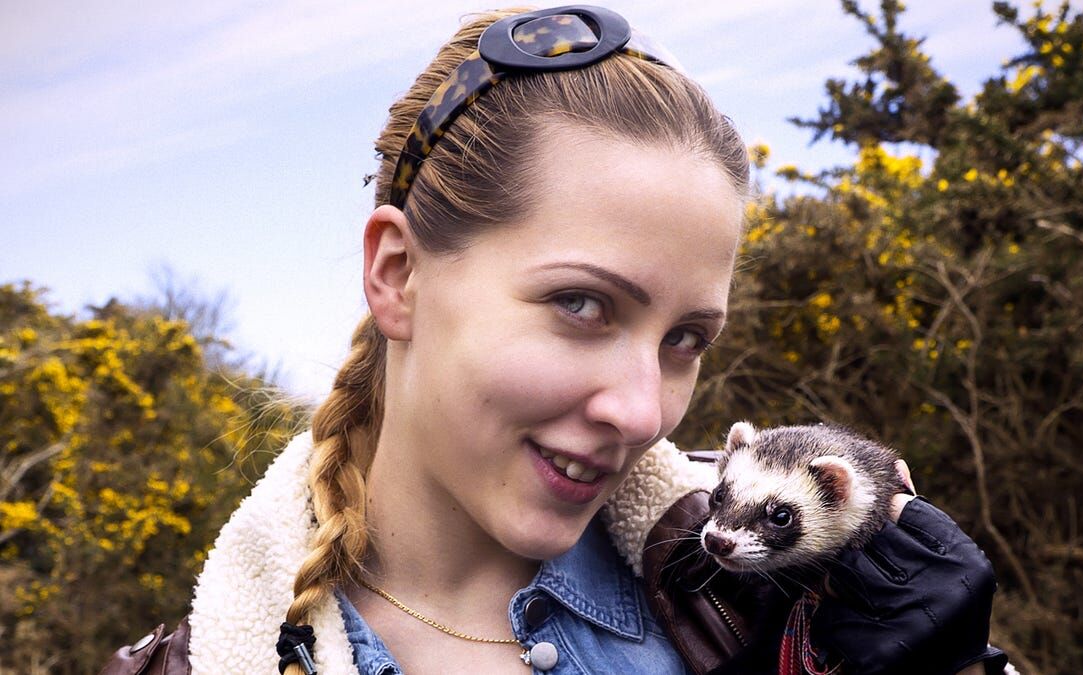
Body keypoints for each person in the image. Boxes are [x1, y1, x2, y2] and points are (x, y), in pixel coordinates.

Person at [102, 6, 1007, 674]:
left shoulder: (758, 599)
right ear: (396, 273)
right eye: (582, 304)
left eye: (687, 336)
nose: (643, 409)